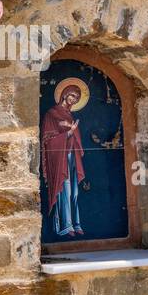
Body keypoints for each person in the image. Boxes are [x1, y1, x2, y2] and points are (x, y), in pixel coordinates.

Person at [41, 84, 85, 237]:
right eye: (72, 96)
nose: (74, 100)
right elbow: (48, 140)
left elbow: (74, 133)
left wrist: (73, 131)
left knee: (75, 191)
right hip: (60, 156)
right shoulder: (51, 114)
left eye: (77, 98)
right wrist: (68, 133)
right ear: (65, 94)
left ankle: (76, 223)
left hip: (72, 154)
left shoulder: (69, 115)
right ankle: (66, 225)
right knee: (64, 188)